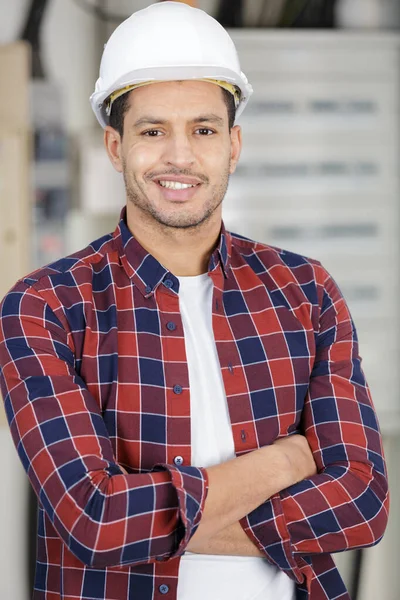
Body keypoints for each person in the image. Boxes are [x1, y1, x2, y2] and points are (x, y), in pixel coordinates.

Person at [0, 3, 389, 599]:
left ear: (233, 144)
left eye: (203, 129)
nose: (179, 157)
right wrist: (285, 464)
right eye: (153, 130)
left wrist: (159, 518)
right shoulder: (46, 307)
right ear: (115, 144)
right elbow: (95, 521)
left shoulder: (304, 290)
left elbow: (363, 504)